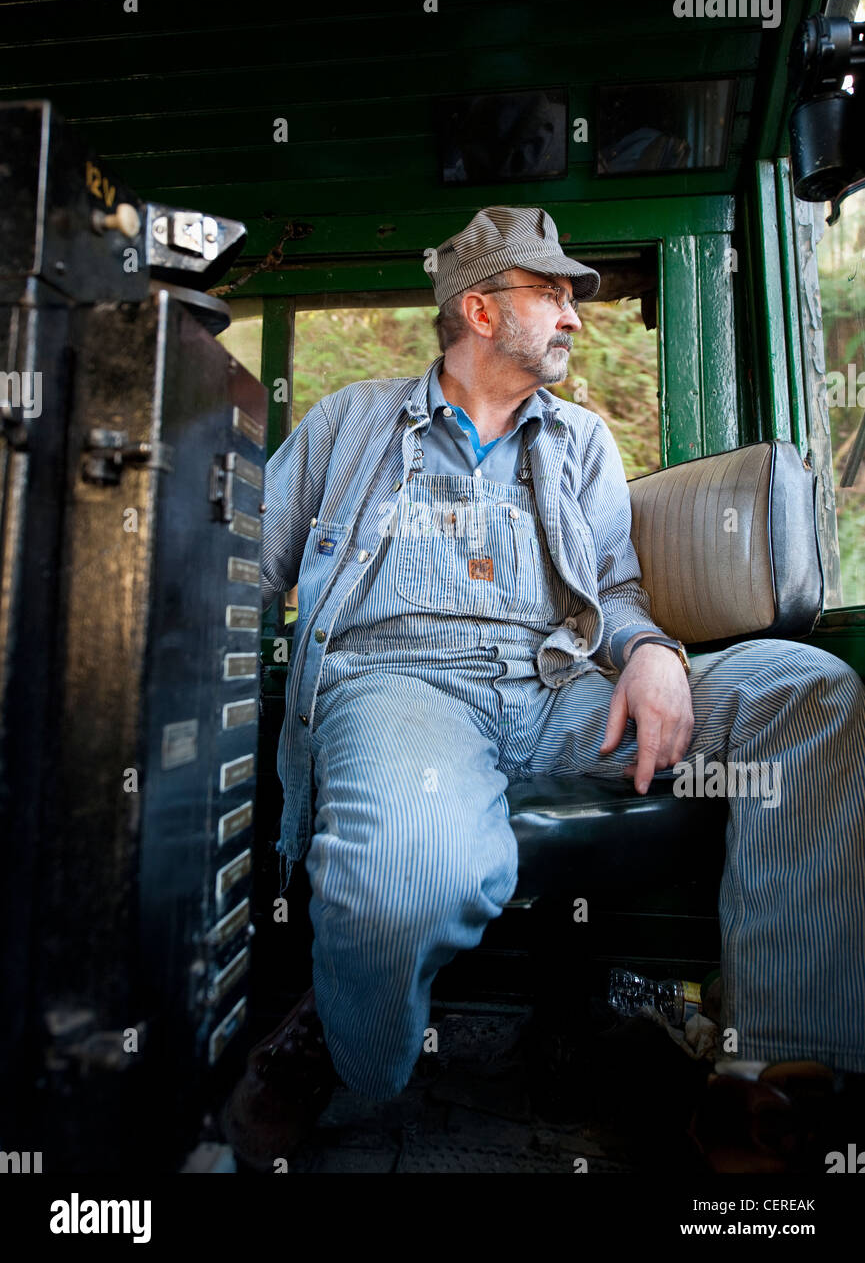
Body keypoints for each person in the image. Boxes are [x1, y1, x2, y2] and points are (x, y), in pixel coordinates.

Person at [222, 205, 865, 1173]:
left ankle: (769, 1073)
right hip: (405, 686)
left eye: (574, 297)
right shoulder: (352, 418)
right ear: (478, 310)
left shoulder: (581, 440)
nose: (573, 315)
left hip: (564, 689)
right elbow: (242, 571)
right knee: (405, 882)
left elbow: (612, 587)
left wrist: (650, 649)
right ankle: (336, 1046)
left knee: (807, 689)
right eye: (552, 294)